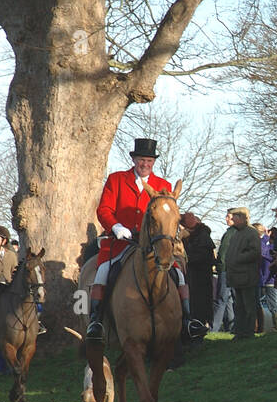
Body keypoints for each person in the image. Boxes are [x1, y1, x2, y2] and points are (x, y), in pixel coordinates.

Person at [86, 138, 205, 342]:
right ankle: (96, 322)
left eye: (149, 161)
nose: (145, 165)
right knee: (103, 273)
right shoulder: (116, 180)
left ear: (153, 163)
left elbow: (168, 215)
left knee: (179, 274)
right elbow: (104, 209)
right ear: (134, 160)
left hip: (156, 245)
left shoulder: (163, 185)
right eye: (141, 160)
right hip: (121, 242)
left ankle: (188, 320)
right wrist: (116, 227)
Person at [224, 208, 261, 340]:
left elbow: (255, 252)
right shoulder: (236, 234)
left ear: (243, 217)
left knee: (248, 305)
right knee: (238, 306)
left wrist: (237, 258)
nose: (232, 219)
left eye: (235, 217)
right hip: (236, 276)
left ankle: (249, 332)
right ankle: (240, 332)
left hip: (247, 276)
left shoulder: (251, 233)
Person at [179, 212, 215, 329]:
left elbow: (202, 256)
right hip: (195, 274)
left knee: (201, 300)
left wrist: (187, 258)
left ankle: (202, 323)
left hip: (200, 275)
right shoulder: (197, 234)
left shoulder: (201, 235)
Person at [255, 222, 277, 331]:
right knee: (261, 303)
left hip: (269, 279)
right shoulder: (264, 244)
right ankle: (263, 326)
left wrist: (265, 238)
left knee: (273, 303)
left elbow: (263, 253)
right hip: (262, 279)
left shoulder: (269, 245)